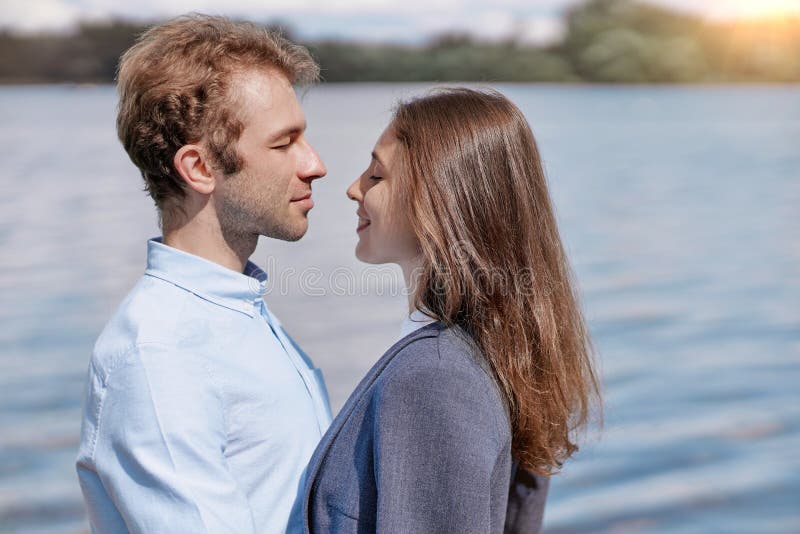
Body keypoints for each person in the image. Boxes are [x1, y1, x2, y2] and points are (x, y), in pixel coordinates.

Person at [302, 88, 601, 533]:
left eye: (376, 177)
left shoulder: (435, 376)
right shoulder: (501, 357)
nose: (352, 188)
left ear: (439, 196)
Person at [75, 15, 332, 533]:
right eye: (284, 143)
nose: (315, 164)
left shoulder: (233, 313)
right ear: (198, 168)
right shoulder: (159, 356)